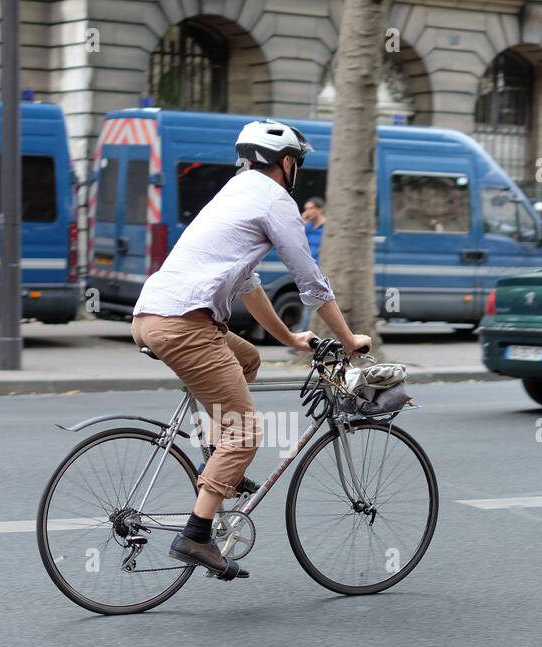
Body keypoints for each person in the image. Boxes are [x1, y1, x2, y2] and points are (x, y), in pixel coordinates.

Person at [130, 119, 371, 580]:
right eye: (296, 162)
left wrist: (290, 339)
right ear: (285, 163)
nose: (295, 169)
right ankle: (197, 536)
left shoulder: (234, 192)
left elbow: (249, 284)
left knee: (248, 358)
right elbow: (311, 283)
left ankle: (216, 458)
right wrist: (348, 339)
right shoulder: (275, 199)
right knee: (246, 433)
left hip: (152, 317)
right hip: (185, 325)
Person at [288, 196, 325, 353]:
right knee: (308, 305)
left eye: (310, 208)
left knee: (308, 307)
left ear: (319, 210)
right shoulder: (309, 226)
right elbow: (295, 235)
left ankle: (299, 343)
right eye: (306, 208)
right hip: (308, 270)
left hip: (321, 271)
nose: (308, 211)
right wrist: (303, 218)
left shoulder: (326, 227)